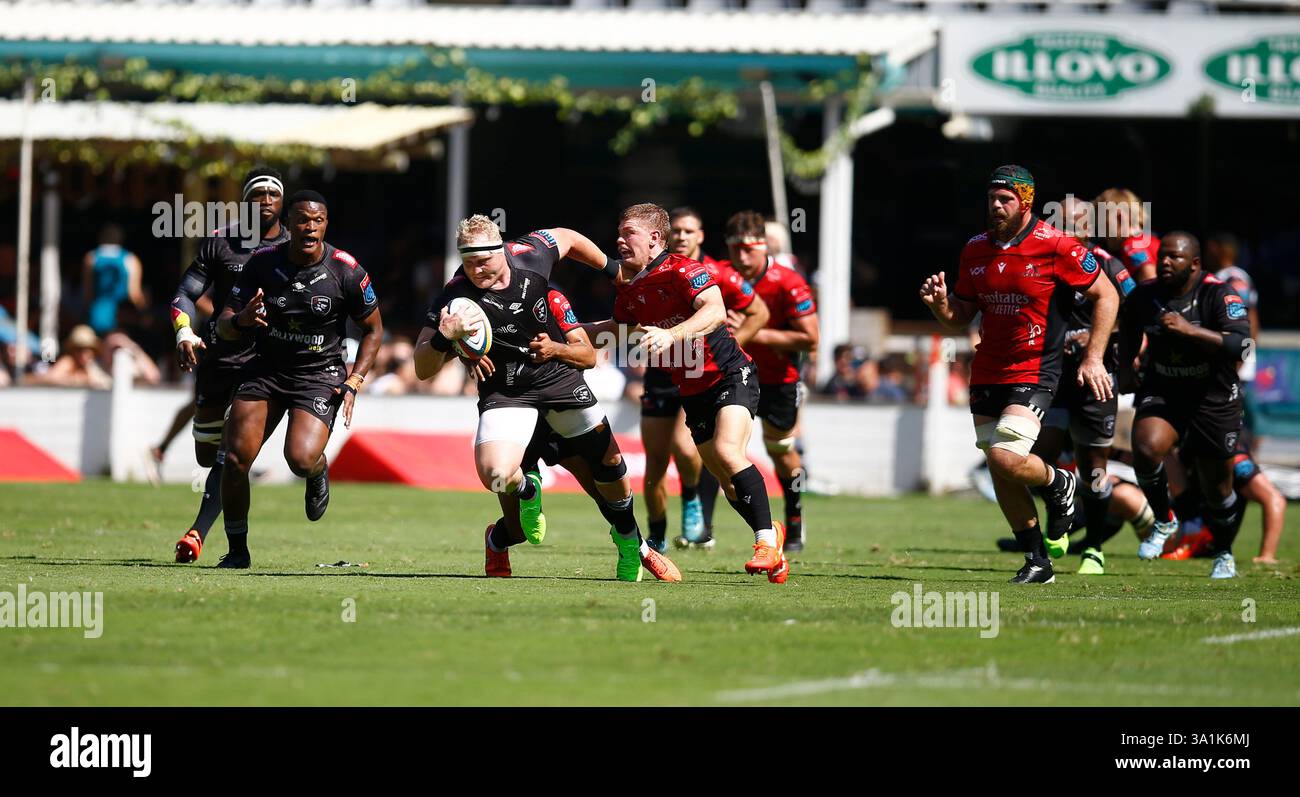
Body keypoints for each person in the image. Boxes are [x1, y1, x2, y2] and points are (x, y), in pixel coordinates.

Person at [413, 215, 680, 583]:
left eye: (484, 261)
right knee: (499, 482)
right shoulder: (455, 296)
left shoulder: (532, 257)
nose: (476, 270)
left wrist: (613, 269)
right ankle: (512, 513)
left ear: (502, 251)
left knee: (607, 479)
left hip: (558, 384)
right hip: (508, 393)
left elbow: (568, 236)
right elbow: (422, 367)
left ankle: (636, 546)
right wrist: (446, 338)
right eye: (468, 261)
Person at [920, 165, 1118, 585]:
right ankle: (1037, 561)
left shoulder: (1057, 245)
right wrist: (940, 305)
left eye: (1005, 198)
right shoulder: (974, 249)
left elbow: (1108, 294)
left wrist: (1094, 356)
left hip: (1036, 369)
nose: (995, 205)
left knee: (1005, 456)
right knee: (1001, 468)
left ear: (1026, 201)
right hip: (988, 367)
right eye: (991, 197)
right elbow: (961, 313)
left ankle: (1058, 480)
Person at [588, 203, 789, 583]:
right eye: (618, 231)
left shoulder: (685, 269)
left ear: (654, 239)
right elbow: (612, 330)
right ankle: (773, 543)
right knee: (728, 481)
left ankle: (764, 542)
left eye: (628, 232)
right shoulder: (630, 289)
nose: (618, 239)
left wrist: (671, 334)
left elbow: (713, 311)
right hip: (692, 393)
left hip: (731, 375)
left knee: (730, 453)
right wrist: (558, 329)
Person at [214, 190, 383, 569]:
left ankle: (317, 469)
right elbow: (224, 324)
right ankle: (237, 549)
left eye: (317, 220)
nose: (310, 227)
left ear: (326, 224)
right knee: (237, 460)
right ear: (287, 225)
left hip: (319, 376)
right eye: (302, 220)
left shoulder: (346, 270)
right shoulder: (261, 263)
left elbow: (374, 330)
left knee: (300, 458)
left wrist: (354, 380)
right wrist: (241, 320)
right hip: (266, 370)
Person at [168, 168, 290, 560]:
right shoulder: (220, 243)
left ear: (282, 202)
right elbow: (183, 295)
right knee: (206, 451)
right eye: (258, 192)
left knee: (229, 453)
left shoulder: (296, 246)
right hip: (218, 355)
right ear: (244, 200)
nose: (266, 199)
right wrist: (184, 331)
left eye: (274, 193)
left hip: (263, 363)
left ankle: (197, 532)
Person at [1119, 232, 1252, 579]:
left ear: (1194, 264)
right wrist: (1126, 368)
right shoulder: (1145, 296)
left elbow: (1244, 345)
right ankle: (1164, 520)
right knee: (1146, 448)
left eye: (1174, 257)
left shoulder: (1219, 294)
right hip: (1164, 389)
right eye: (1162, 256)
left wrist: (1189, 331)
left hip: (1214, 399)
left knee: (1217, 491)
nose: (1164, 262)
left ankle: (1223, 551)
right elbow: (1129, 329)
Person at [697, 211, 818, 552]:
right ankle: (703, 528)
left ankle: (794, 518)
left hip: (780, 381)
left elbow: (810, 339)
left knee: (781, 451)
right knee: (718, 448)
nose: (742, 257)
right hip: (733, 376)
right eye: (736, 249)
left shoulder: (788, 282)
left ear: (764, 246)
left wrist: (754, 333)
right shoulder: (719, 275)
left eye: (750, 248)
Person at [650, 207, 768, 552]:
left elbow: (759, 311)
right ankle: (656, 535)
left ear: (701, 236)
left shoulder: (718, 273)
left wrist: (734, 342)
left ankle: (698, 510)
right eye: (678, 231)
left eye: (690, 231)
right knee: (659, 459)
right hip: (665, 371)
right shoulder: (653, 275)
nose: (683, 237)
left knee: (695, 450)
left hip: (715, 374)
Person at [1034, 195, 1139, 575]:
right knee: (1038, 456)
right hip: (1052, 377)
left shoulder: (1110, 267)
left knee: (1094, 468)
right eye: (1060, 220)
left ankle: (1093, 547)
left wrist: (1100, 336)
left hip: (1095, 379)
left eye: (1075, 220)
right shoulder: (1041, 262)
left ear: (1091, 226)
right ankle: (1057, 523)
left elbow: (1139, 316)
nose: (1067, 226)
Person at [82, 224, 145, 337]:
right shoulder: (130, 259)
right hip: (122, 319)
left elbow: (87, 293)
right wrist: (144, 313)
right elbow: (134, 293)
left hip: (97, 316)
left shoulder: (91, 258)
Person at [1094, 188, 1159, 283]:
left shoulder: (1132, 246)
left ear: (1119, 216)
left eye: (1102, 222)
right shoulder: (1150, 240)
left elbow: (1149, 285)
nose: (1101, 231)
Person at [28, 324, 112, 389]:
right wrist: (76, 381)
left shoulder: (93, 366)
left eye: (88, 349)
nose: (84, 354)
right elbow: (52, 378)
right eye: (80, 349)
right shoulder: (68, 362)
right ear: (73, 351)